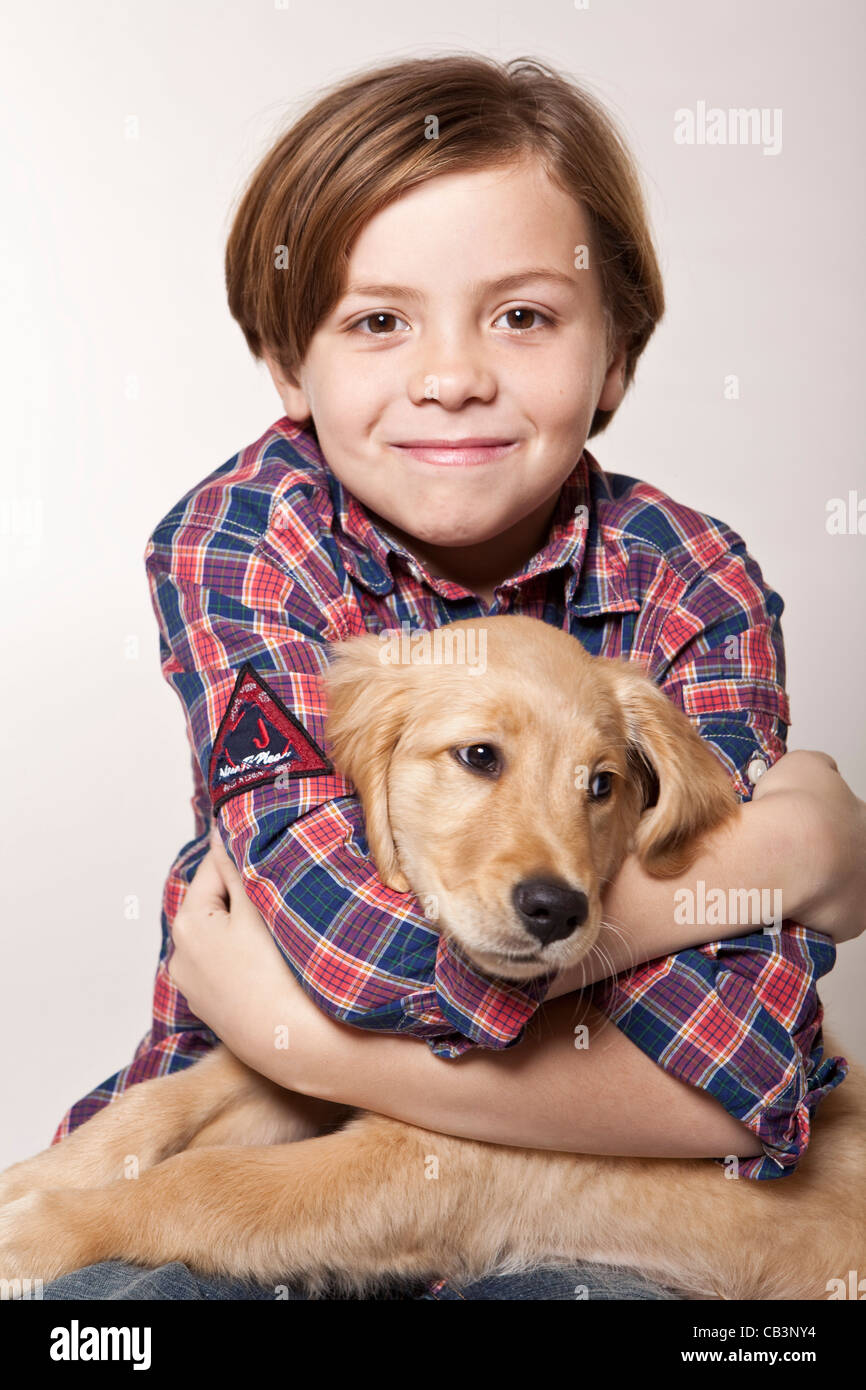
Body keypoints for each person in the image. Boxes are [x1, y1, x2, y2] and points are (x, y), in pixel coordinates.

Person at [41, 52, 866, 1301]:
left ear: (616, 362)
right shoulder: (245, 541)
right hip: (270, 1126)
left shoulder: (691, 579)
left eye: (522, 316)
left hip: (599, 1190)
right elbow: (334, 938)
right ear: (285, 365)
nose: (451, 375)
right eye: (378, 320)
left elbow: (738, 1062)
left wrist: (290, 1034)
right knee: (112, 1310)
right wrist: (771, 866)